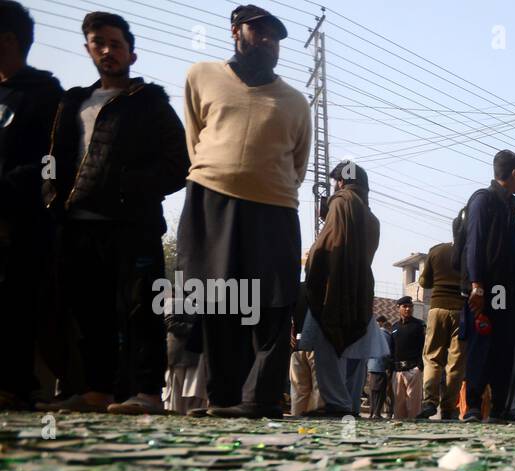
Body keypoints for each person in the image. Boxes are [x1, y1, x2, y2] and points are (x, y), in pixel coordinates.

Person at [39, 12, 188, 416]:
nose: (107, 51)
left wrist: (127, 187)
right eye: (99, 43)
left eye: (116, 44)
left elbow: (179, 164)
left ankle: (147, 393)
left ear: (131, 54)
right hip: (78, 224)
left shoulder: (150, 103)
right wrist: (51, 195)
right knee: (89, 310)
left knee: (142, 309)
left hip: (134, 225)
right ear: (88, 49)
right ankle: (96, 390)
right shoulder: (73, 102)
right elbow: (51, 160)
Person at [176, 4, 309, 419]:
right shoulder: (201, 76)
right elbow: (195, 139)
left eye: (275, 37)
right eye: (259, 31)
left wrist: (260, 182)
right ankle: (224, 398)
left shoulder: (295, 102)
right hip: (212, 201)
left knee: (272, 304)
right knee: (220, 299)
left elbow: (299, 166)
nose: (268, 41)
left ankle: (261, 400)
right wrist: (224, 173)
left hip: (275, 209)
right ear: (236, 31)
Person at [0, 1, 62, 410]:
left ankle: (14, 386)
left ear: (8, 40)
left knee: (16, 305)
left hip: (22, 225)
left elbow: (51, 163)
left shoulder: (44, 94)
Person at [298, 161, 384, 419]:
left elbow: (326, 246)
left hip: (334, 286)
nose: (336, 185)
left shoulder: (341, 202)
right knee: (355, 347)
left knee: (328, 343)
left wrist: (312, 271)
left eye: (337, 181)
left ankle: (336, 404)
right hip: (361, 289)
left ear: (343, 181)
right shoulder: (372, 218)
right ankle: (350, 405)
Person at [460, 148, 515, 422]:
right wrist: (477, 284)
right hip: (487, 289)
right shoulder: (484, 200)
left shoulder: (512, 208)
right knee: (482, 345)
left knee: (504, 347)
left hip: (507, 292)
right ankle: (474, 405)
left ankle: (500, 407)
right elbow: (474, 243)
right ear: (514, 173)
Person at [417, 224, 466, 420]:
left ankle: (430, 401)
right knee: (455, 362)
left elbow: (424, 282)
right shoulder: (470, 253)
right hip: (461, 311)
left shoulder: (436, 251)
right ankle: (448, 408)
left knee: (432, 357)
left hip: (437, 308)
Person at [388, 296, 423, 419]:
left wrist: (419, 367)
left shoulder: (419, 325)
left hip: (413, 369)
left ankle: (414, 428)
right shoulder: (394, 327)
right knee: (398, 405)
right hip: (397, 371)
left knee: (413, 406)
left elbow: (423, 347)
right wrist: (391, 368)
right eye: (405, 306)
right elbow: (391, 350)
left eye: (410, 306)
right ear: (398, 308)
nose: (408, 309)